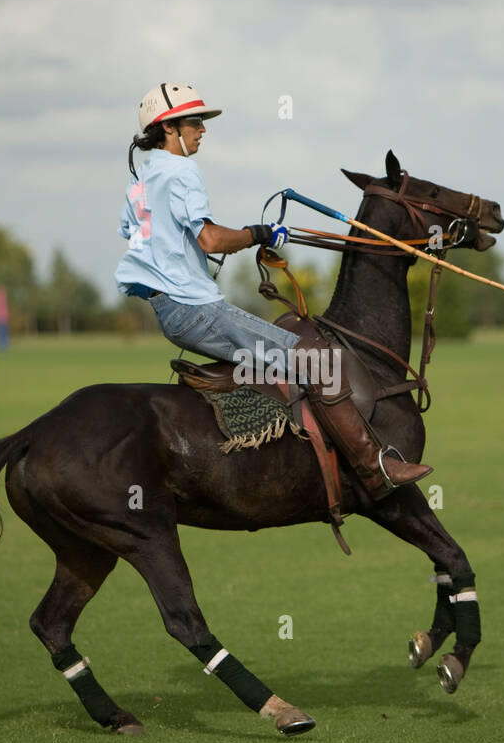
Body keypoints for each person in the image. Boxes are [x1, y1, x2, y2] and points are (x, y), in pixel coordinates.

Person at [115, 82, 431, 497]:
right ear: (169, 128)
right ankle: (374, 466)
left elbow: (143, 239)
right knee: (318, 361)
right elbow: (210, 239)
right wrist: (256, 233)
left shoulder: (140, 181)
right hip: (197, 310)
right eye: (195, 122)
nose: (203, 130)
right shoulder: (183, 171)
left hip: (170, 312)